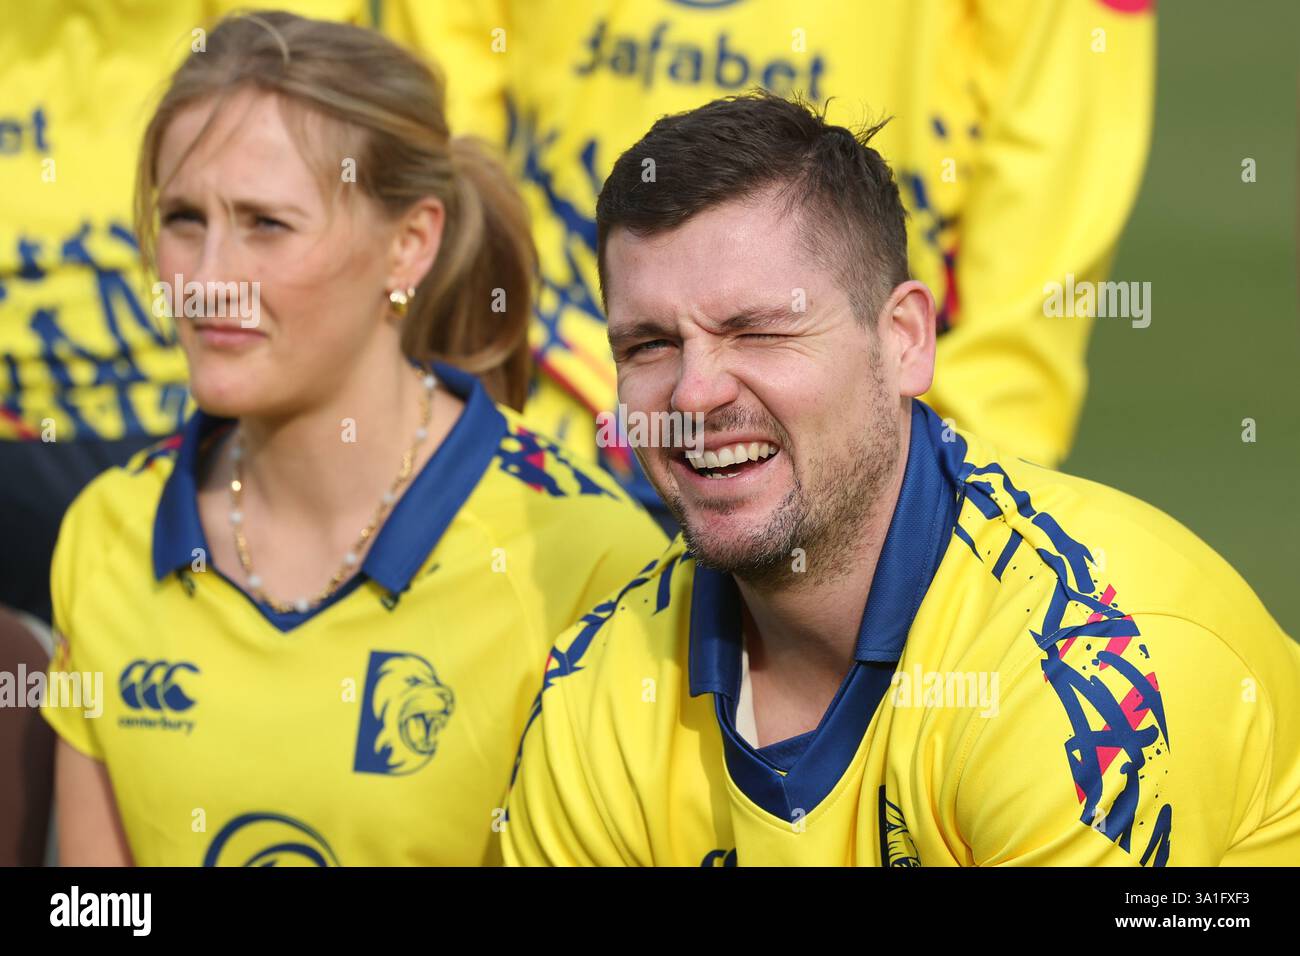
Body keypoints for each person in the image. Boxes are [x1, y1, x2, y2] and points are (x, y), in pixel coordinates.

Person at [501, 93, 1300, 867]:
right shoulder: (599, 691)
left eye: (760, 331)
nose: (695, 393)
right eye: (647, 346)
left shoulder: (1087, 669)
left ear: (905, 340)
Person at [40, 11, 666, 867]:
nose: (208, 280)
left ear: (410, 246)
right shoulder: (106, 532)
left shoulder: (586, 558)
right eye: (184, 219)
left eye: (265, 223)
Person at [381, 0, 1155, 513]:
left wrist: (958, 475)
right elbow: (436, 94)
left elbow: (1056, 167)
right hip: (532, 415)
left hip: (857, 437)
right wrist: (464, 364)